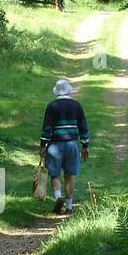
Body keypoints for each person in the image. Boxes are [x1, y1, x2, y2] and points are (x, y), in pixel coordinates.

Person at [40, 78, 89, 214]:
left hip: (55, 145)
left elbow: (47, 128)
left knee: (54, 174)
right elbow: (83, 127)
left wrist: (43, 145)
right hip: (72, 144)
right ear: (68, 90)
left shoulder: (52, 106)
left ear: (57, 92)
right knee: (69, 176)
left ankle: (57, 197)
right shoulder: (77, 106)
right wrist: (85, 145)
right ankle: (68, 207)